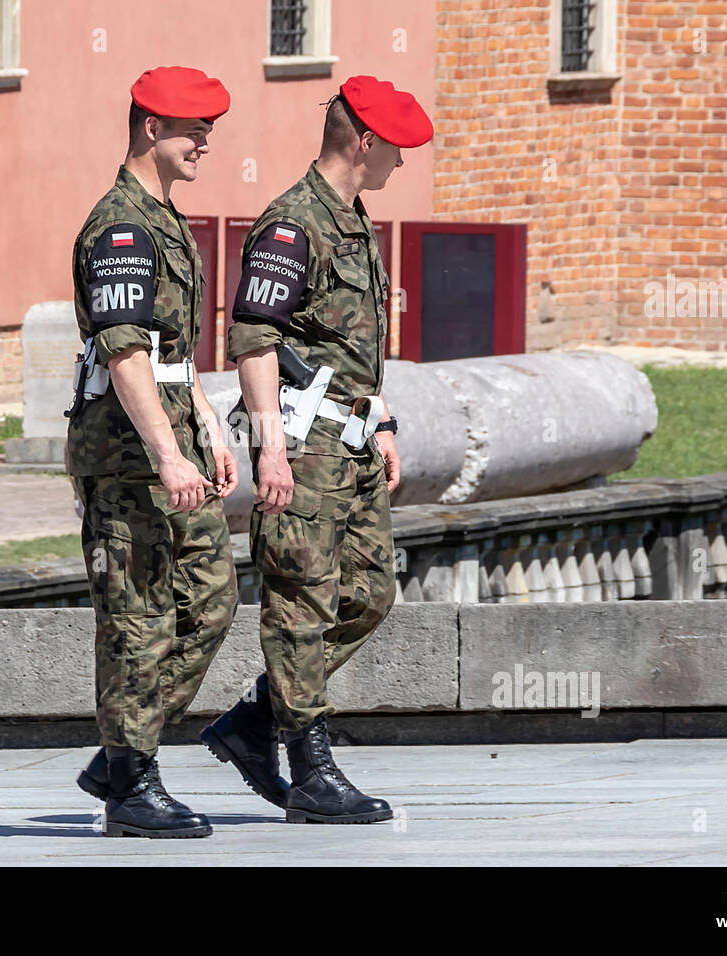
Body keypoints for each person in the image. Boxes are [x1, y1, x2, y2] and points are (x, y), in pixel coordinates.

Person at [202, 75, 433, 824]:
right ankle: (310, 771)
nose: (402, 162)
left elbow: (347, 344)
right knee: (300, 603)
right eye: (395, 149)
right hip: (304, 447)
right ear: (364, 142)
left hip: (354, 441)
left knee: (369, 592)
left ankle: (254, 723)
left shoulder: (353, 219)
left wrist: (385, 418)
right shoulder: (292, 226)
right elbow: (255, 340)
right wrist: (269, 448)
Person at [66, 66, 238, 839]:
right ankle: (131, 788)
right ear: (149, 130)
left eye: (207, 127)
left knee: (210, 603)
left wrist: (210, 422)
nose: (206, 140)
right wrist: (169, 454)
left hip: (177, 447)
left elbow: (173, 354)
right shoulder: (121, 228)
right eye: (192, 127)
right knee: (135, 620)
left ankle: (118, 753)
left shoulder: (165, 218)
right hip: (129, 461)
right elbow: (127, 351)